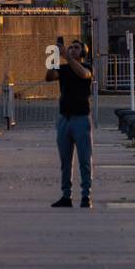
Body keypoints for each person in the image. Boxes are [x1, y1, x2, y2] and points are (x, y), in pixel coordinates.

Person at [45, 37, 93, 209]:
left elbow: (83, 74)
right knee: (65, 161)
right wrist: (54, 58)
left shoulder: (86, 67)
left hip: (81, 118)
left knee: (84, 159)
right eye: (70, 47)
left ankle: (86, 196)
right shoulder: (64, 69)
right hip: (64, 118)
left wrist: (68, 57)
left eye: (76, 47)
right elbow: (49, 77)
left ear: (83, 52)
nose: (72, 49)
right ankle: (66, 196)